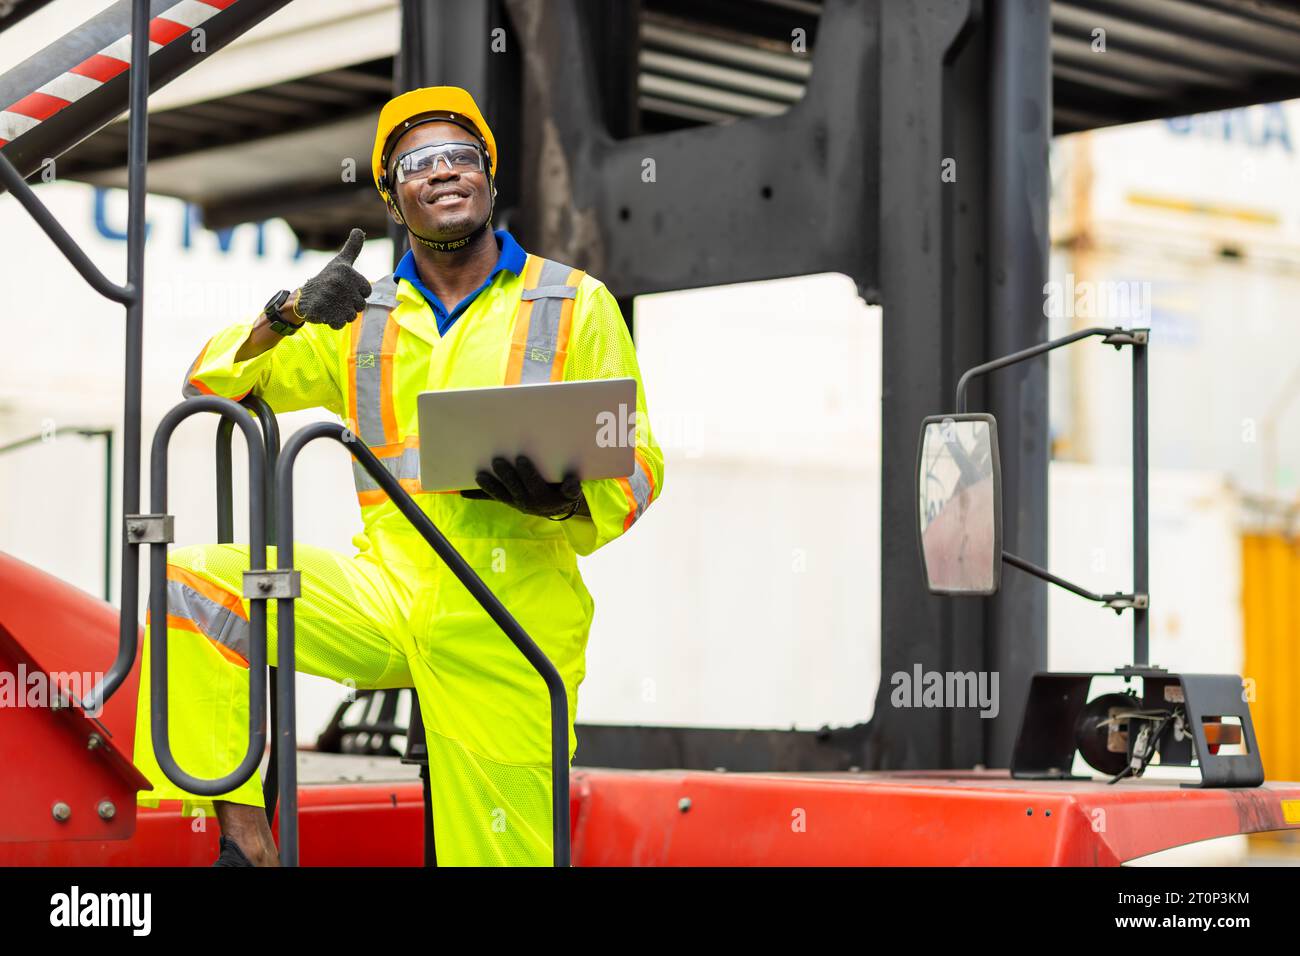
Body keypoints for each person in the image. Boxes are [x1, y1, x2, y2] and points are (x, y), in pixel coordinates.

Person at [132, 85, 663, 866]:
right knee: (189, 585)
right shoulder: (357, 318)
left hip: (506, 615)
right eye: (419, 163)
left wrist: (565, 499)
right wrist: (287, 312)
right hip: (385, 592)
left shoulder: (574, 303)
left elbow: (640, 462)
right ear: (391, 196)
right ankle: (247, 842)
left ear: (488, 175)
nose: (443, 171)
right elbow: (211, 386)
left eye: (460, 156)